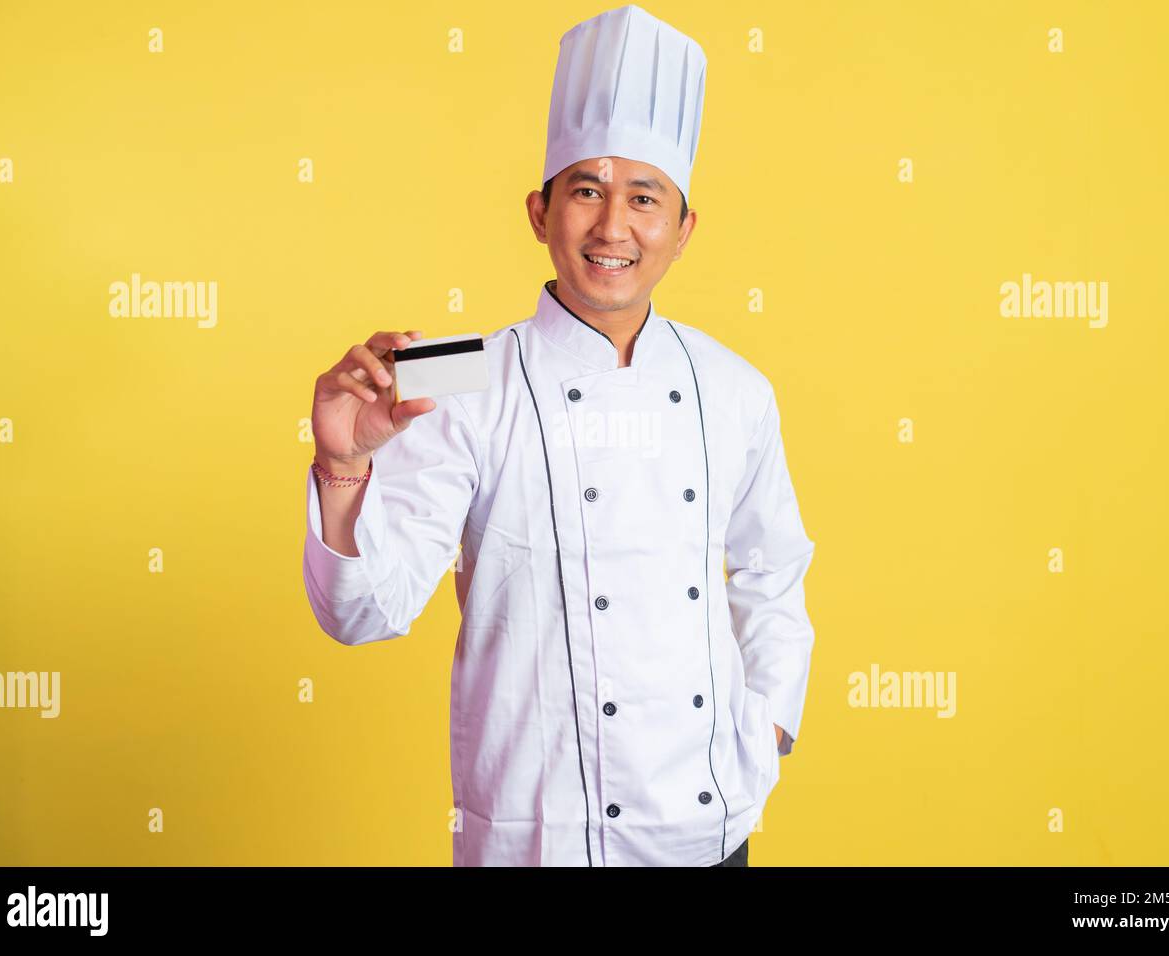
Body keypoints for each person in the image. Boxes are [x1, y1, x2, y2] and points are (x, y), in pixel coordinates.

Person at [302, 3, 815, 867]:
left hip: (709, 832)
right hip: (538, 842)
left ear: (682, 231)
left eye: (644, 198)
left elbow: (774, 572)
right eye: (587, 190)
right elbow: (367, 614)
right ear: (540, 212)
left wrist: (763, 729)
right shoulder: (457, 380)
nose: (614, 227)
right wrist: (344, 461)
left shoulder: (735, 389)